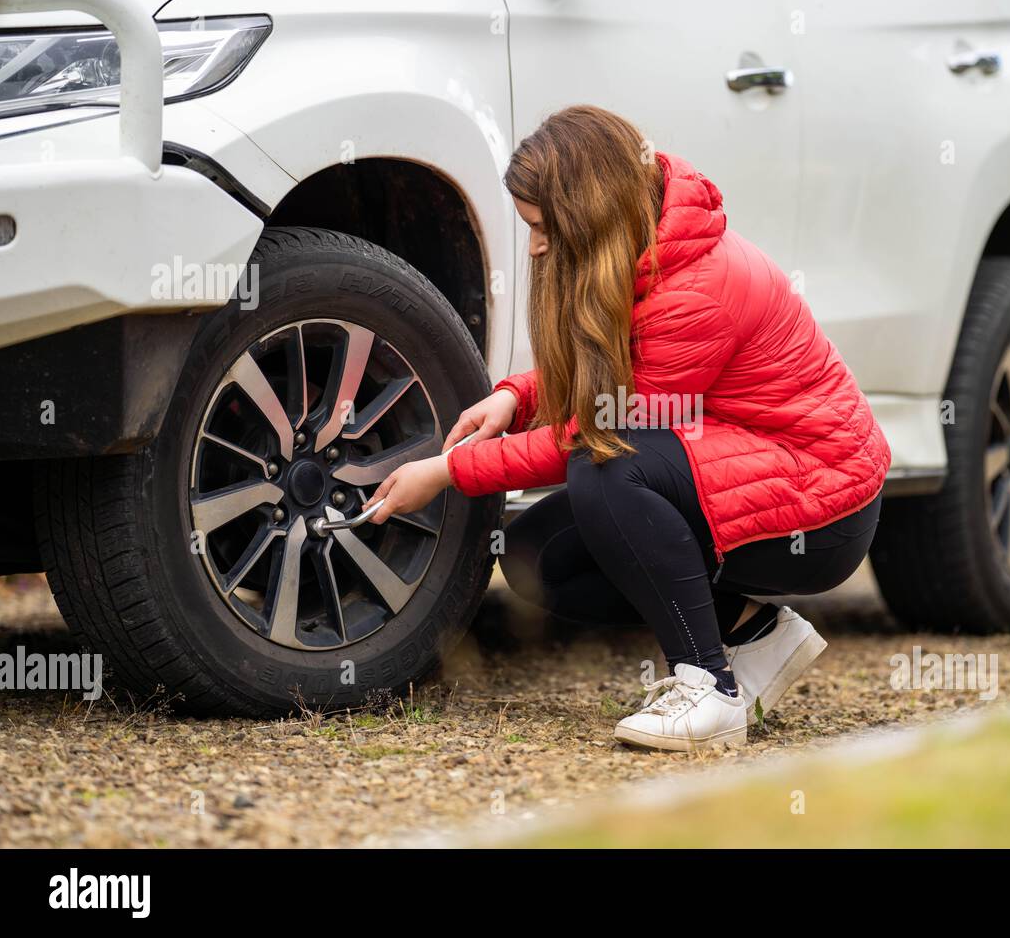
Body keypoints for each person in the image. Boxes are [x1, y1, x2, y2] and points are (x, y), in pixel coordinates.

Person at [365, 105, 891, 752]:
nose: (535, 245)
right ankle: (757, 635)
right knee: (534, 557)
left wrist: (446, 473)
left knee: (607, 469)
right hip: (744, 460)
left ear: (587, 212)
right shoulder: (649, 249)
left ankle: (710, 690)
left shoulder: (696, 289)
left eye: (542, 227)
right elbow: (616, 379)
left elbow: (600, 431)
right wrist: (516, 399)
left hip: (824, 503)